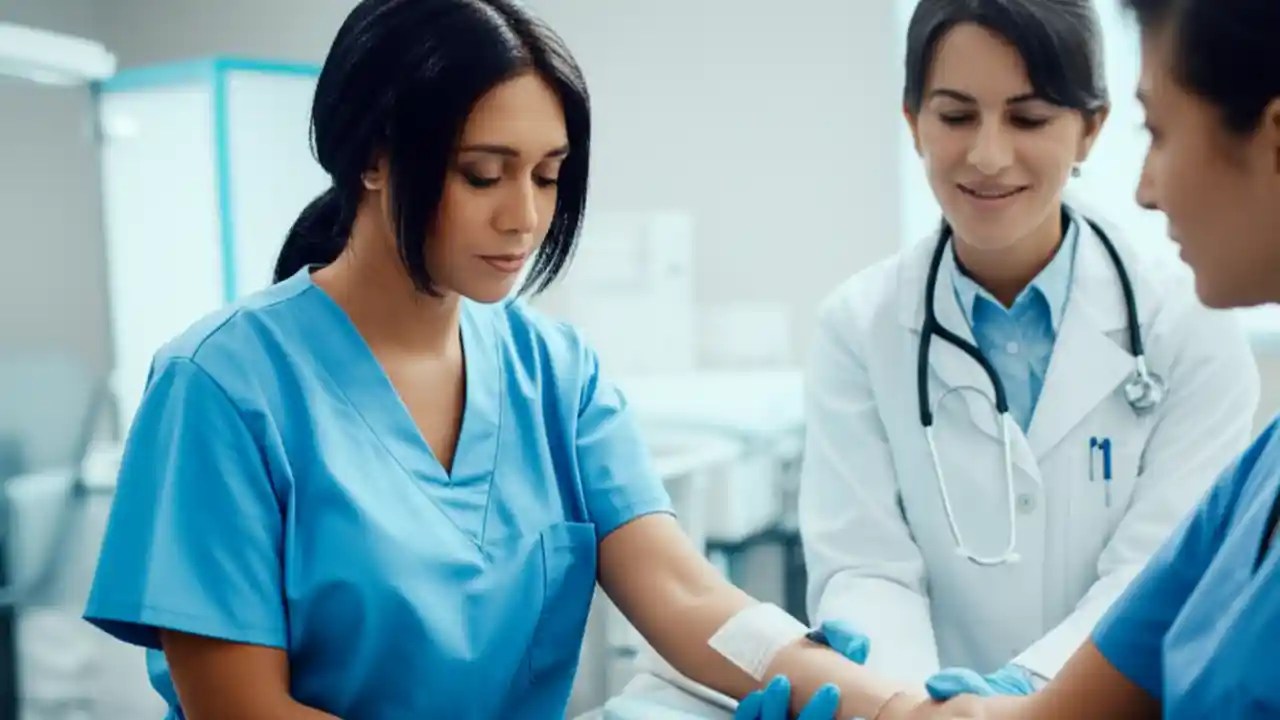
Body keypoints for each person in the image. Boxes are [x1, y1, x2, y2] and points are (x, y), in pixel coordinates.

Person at [79, 1, 942, 718]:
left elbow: (687, 600)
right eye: (484, 175)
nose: (524, 218)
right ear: (374, 159)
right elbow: (244, 712)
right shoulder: (222, 387)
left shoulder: (556, 375)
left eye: (548, 175)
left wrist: (895, 707)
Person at [799, 0, 1259, 699]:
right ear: (912, 122)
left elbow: (1159, 572)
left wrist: (1026, 691)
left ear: (1090, 130)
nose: (987, 155)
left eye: (1030, 118)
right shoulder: (858, 326)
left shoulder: (1191, 323)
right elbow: (866, 569)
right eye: (955, 116)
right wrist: (917, 706)